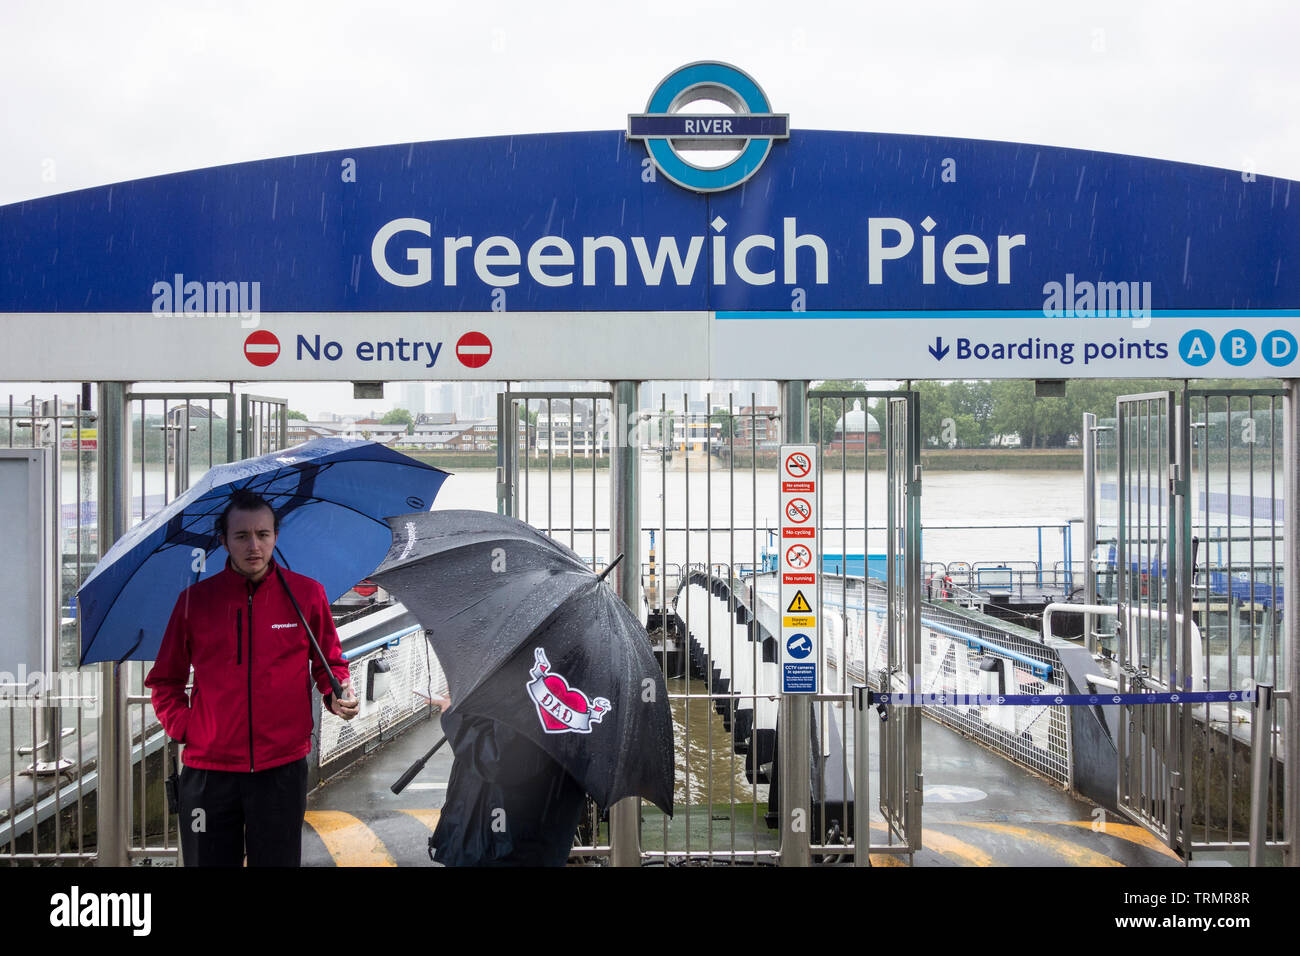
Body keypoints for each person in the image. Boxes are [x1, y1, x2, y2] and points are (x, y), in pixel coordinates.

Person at [145, 489, 359, 866]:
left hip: (282, 767)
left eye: (262, 534)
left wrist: (336, 693)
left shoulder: (307, 595)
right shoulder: (194, 602)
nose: (254, 545)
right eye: (241, 536)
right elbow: (165, 681)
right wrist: (187, 727)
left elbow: (330, 663)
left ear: (276, 535)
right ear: (223, 540)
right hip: (209, 771)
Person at [430, 712, 588, 867]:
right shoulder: (569, 702)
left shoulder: (524, 693)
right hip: (533, 836)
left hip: (496, 842)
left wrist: (454, 719)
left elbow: (498, 760)